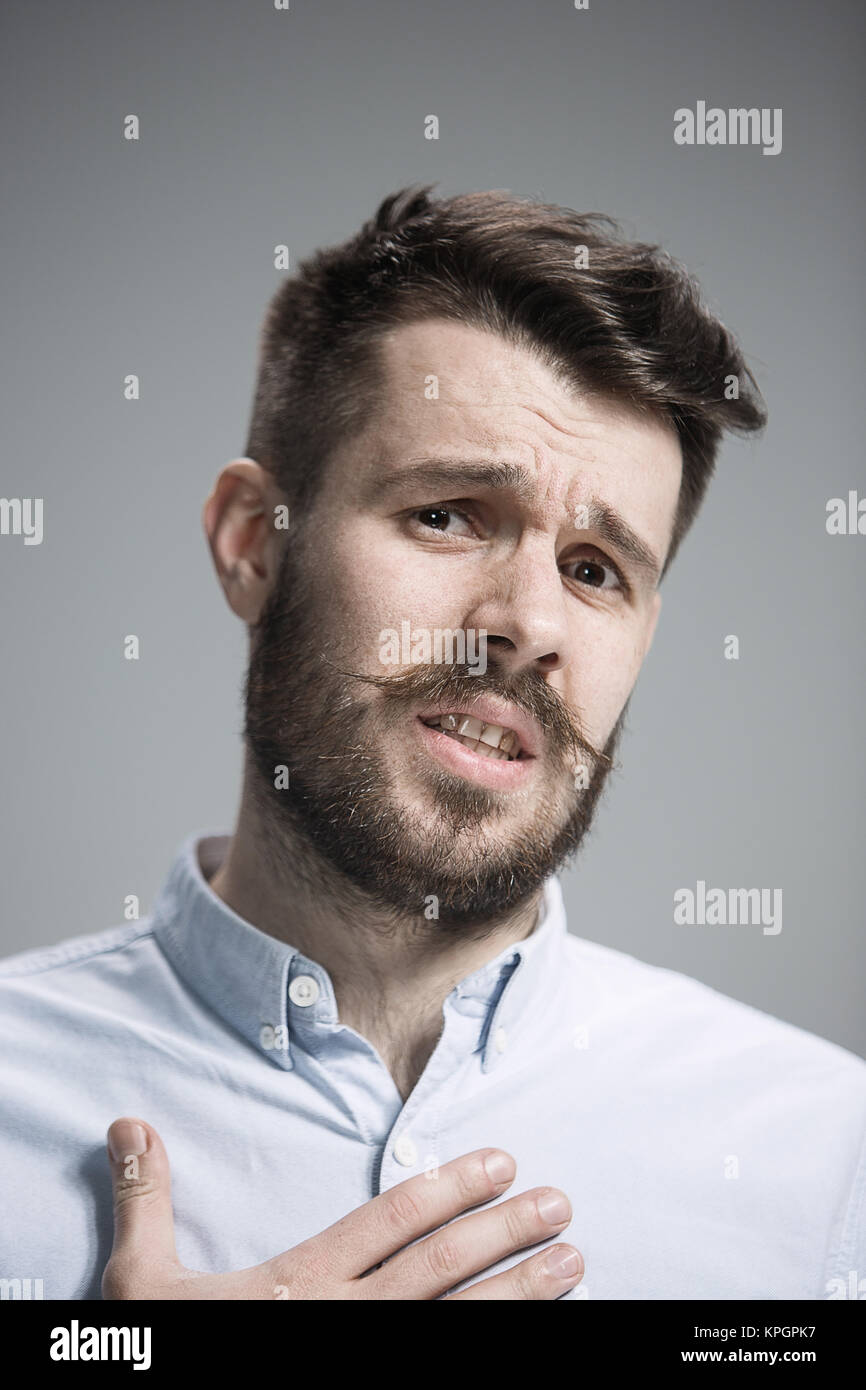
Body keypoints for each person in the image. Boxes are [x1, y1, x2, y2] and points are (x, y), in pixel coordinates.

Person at [2, 187, 863, 1302]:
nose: (529, 624)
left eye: (594, 569)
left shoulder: (827, 1165)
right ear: (252, 542)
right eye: (450, 512)